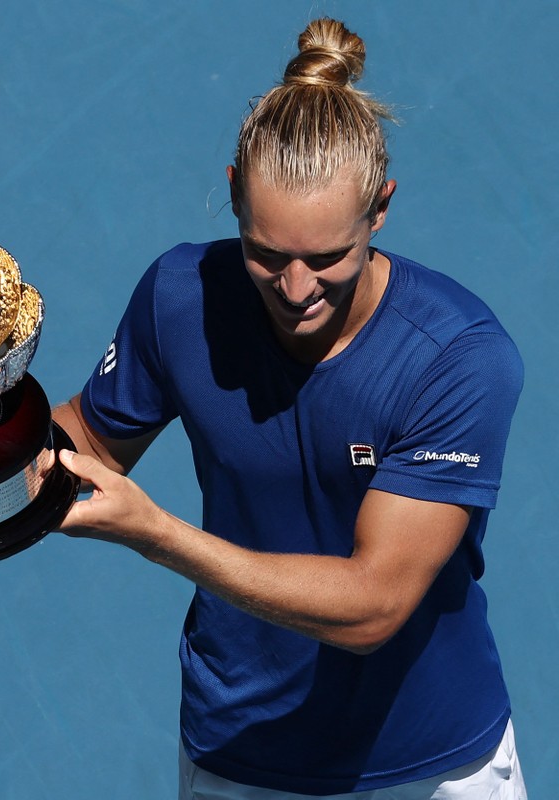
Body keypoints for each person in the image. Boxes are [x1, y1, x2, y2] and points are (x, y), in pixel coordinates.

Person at [53, 18, 527, 799]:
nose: (297, 290)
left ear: (380, 209)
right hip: (241, 753)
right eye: (267, 255)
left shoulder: (457, 358)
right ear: (234, 194)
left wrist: (158, 534)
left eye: (328, 258)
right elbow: (84, 447)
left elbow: (372, 606)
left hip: (433, 768)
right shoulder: (181, 298)